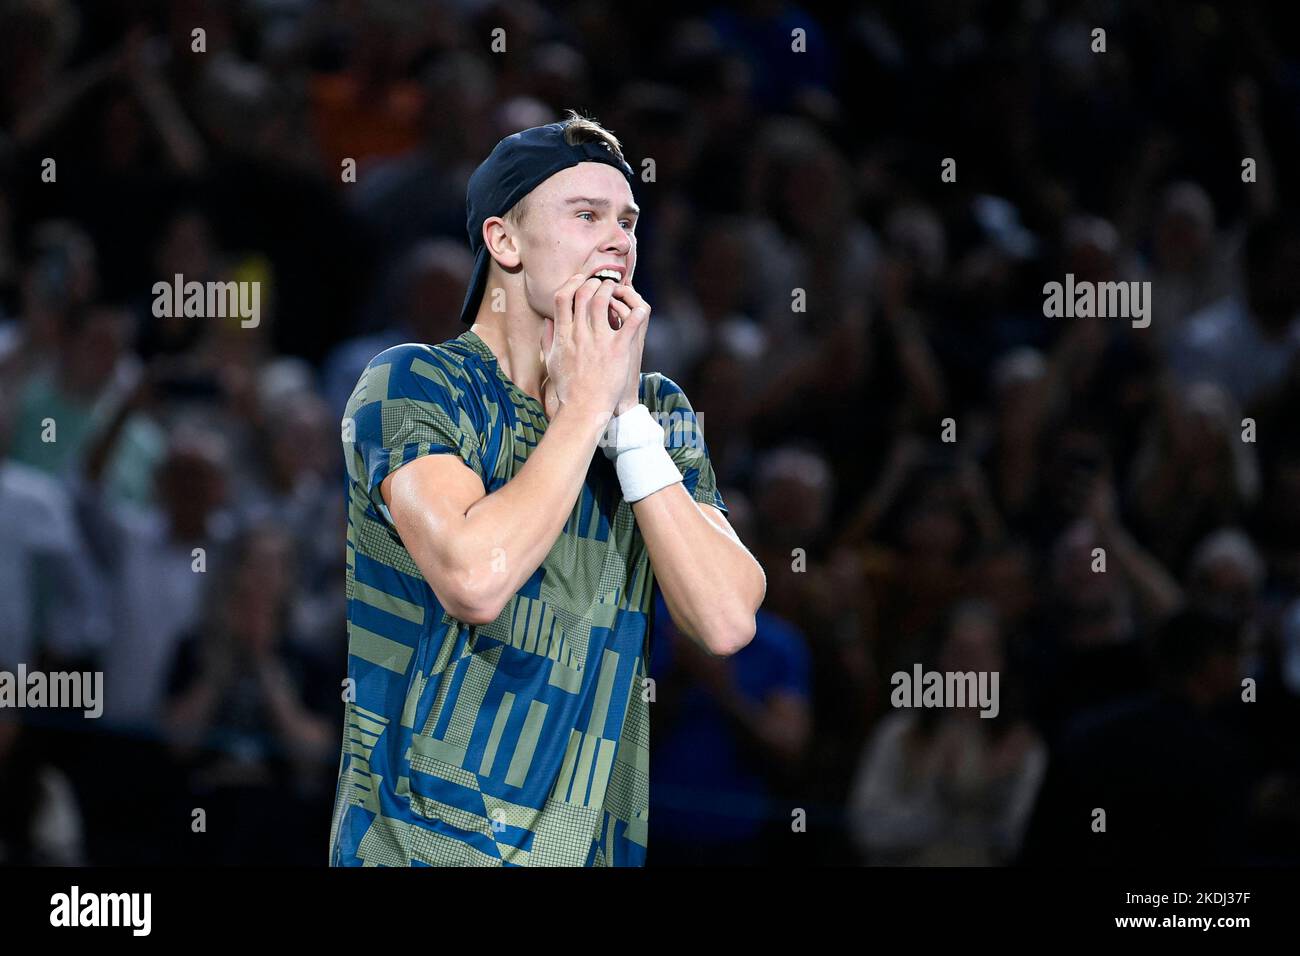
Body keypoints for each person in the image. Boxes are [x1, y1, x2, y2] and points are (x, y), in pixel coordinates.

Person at [327, 112, 767, 867]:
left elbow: (726, 619)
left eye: (628, 220)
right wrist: (588, 405)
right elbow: (473, 577)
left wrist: (624, 422)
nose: (618, 240)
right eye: (586, 215)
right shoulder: (413, 383)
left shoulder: (653, 411)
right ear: (504, 241)